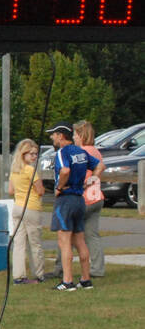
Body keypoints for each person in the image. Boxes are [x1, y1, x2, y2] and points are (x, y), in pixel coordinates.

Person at [47, 122, 101, 291]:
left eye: (54, 135)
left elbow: (64, 171)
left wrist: (59, 187)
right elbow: (100, 165)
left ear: (61, 136)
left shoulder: (62, 152)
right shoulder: (81, 151)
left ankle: (67, 281)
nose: (52, 138)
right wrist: (92, 179)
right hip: (79, 199)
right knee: (80, 241)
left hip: (66, 199)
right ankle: (85, 279)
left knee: (64, 241)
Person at [6, 139, 45, 284]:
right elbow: (40, 191)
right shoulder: (30, 170)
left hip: (17, 206)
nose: (34, 157)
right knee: (35, 243)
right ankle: (39, 274)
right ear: (24, 154)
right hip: (31, 207)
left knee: (19, 243)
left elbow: (10, 191)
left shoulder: (14, 170)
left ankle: (18, 275)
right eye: (32, 154)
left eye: (36, 154)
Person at [73, 121, 106, 280]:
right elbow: (101, 168)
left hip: (84, 198)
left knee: (67, 234)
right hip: (97, 197)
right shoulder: (96, 152)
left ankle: (61, 267)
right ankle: (98, 268)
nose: (73, 137)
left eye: (74, 134)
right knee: (92, 235)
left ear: (80, 135)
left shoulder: (82, 152)